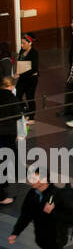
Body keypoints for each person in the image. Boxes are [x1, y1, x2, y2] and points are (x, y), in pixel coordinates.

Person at [0, 77, 19, 205]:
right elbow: (17, 115)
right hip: (8, 132)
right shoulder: (12, 98)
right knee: (10, 154)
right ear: (11, 86)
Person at [15, 34, 37, 118]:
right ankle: (25, 110)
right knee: (17, 95)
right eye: (21, 43)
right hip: (22, 78)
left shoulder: (34, 53)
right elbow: (20, 62)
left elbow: (34, 68)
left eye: (24, 43)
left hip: (31, 79)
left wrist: (21, 73)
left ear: (30, 43)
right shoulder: (21, 51)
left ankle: (31, 117)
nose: (22, 45)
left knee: (30, 97)